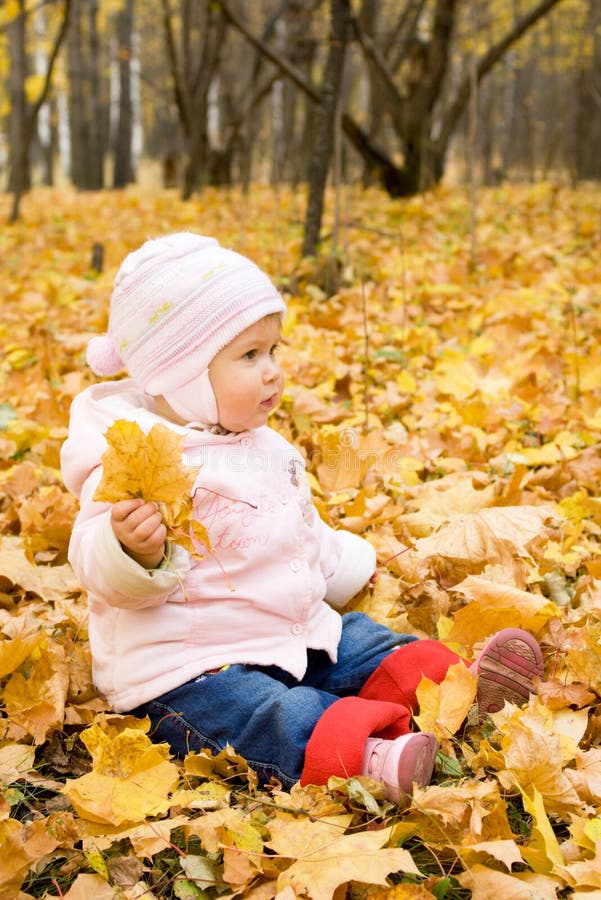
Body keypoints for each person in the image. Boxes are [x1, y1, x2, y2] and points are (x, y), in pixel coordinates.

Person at [61, 233, 544, 804]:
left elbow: (297, 534)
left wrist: (346, 564)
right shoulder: (136, 458)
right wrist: (131, 552)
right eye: (249, 356)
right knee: (267, 713)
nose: (272, 372)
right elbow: (95, 562)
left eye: (274, 351)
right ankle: (366, 754)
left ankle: (455, 686)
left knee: (364, 643)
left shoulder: (267, 446)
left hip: (290, 635)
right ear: (180, 374)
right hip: (192, 671)